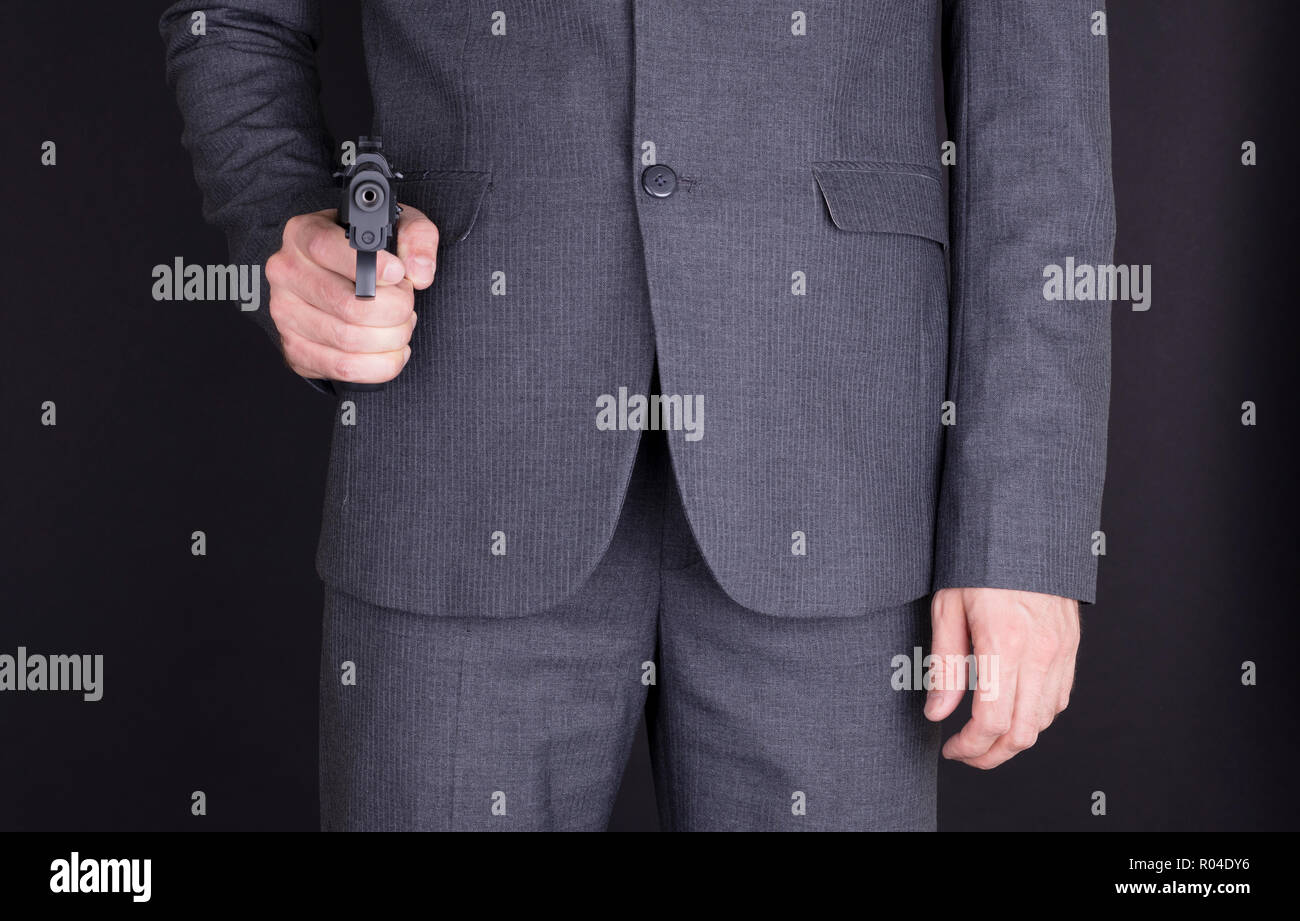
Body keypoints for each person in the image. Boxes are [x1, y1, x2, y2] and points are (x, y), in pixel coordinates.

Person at [160, 1, 1114, 831]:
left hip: (839, 463)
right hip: (460, 433)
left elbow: (1040, 112)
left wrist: (1021, 528)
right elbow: (234, 17)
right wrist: (282, 220)